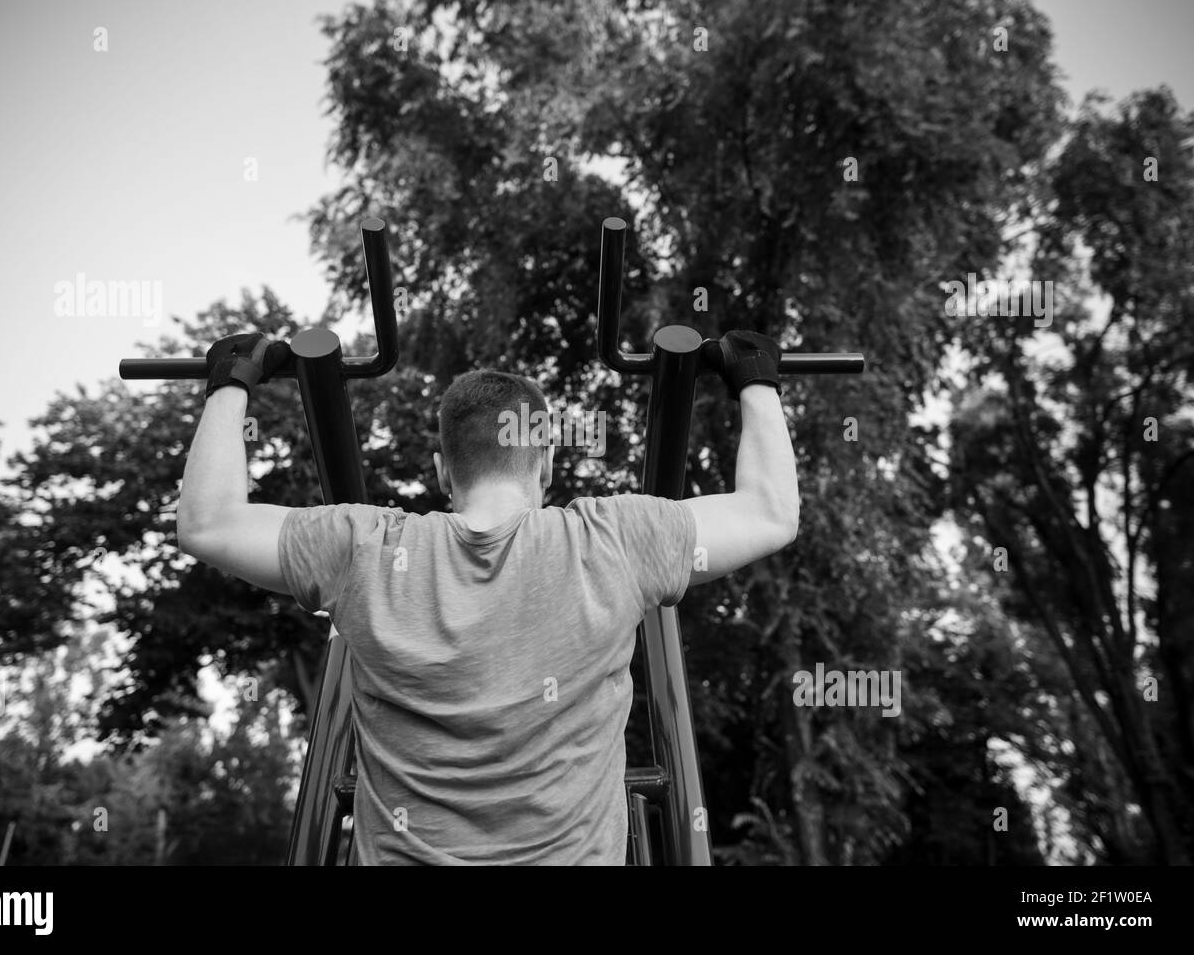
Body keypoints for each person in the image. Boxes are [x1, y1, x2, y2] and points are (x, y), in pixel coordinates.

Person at [176, 329, 798, 864]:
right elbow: (771, 513)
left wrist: (231, 378)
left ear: (446, 471)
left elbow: (208, 524)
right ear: (546, 463)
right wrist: (755, 377)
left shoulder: (361, 549)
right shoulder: (616, 540)